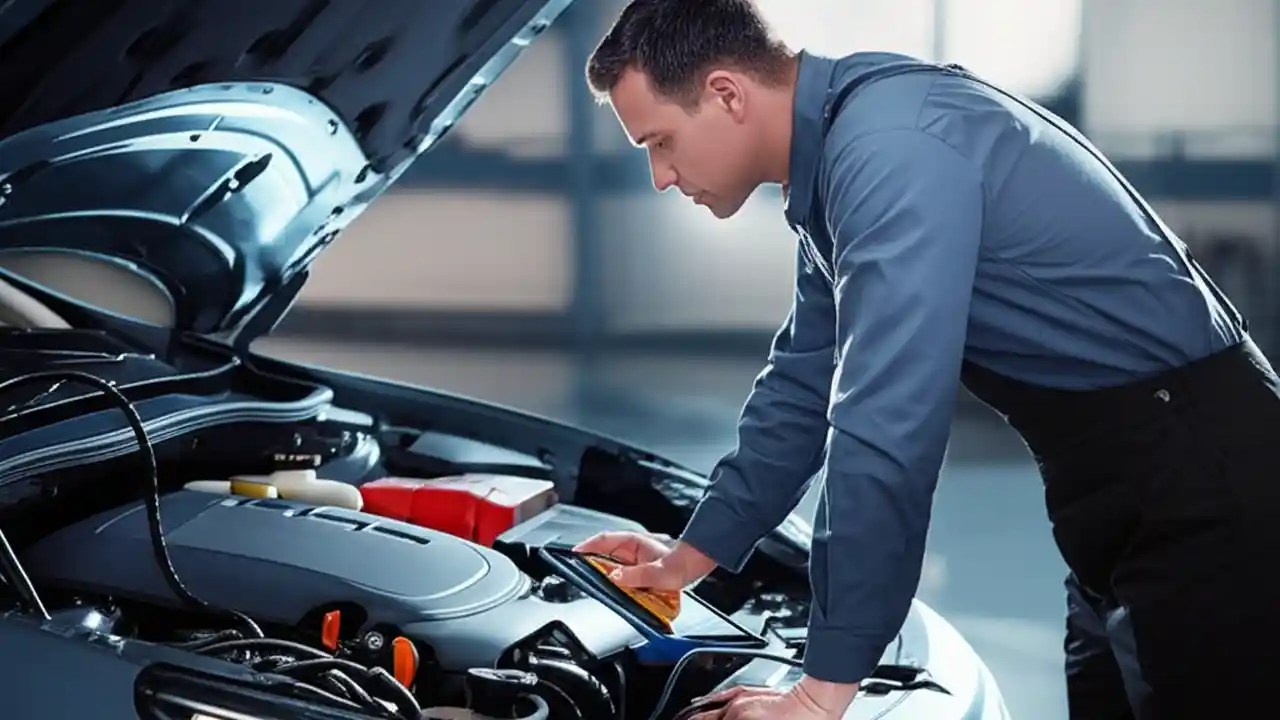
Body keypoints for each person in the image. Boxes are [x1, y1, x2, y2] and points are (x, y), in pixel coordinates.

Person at [573, 1, 1280, 718]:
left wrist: (821, 694)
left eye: (660, 143)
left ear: (726, 94)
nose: (661, 175)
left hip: (1200, 483)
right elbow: (801, 388)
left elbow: (884, 431)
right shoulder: (835, 163)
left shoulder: (890, 151)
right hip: (1114, 484)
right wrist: (688, 559)